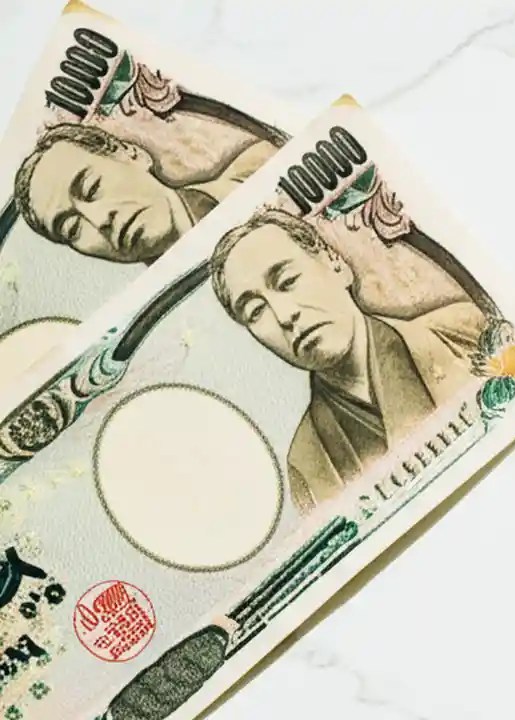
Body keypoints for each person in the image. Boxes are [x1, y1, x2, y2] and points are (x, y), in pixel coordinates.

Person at [210, 208, 486, 513]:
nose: (285, 315)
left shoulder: (463, 331)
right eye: (255, 312)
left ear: (335, 264)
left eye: (287, 281)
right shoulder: (306, 464)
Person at [12, 123, 273, 264]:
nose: (100, 219)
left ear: (131, 154)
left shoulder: (266, 169)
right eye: (72, 228)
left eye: (92, 188)